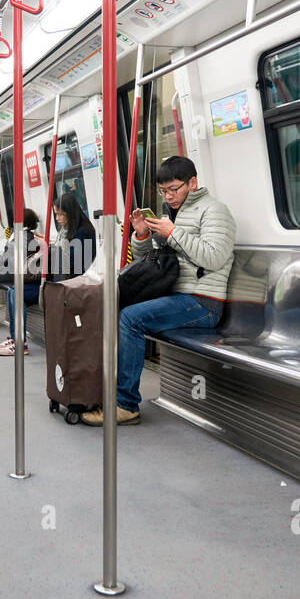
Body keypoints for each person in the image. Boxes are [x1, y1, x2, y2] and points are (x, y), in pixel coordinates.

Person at [82, 156, 236, 426]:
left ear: (192, 183)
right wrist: (141, 235)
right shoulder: (173, 214)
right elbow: (155, 262)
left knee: (131, 318)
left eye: (174, 189)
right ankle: (100, 389)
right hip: (175, 296)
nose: (168, 195)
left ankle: (126, 405)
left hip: (203, 303)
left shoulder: (214, 211)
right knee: (110, 305)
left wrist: (173, 232)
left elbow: (214, 258)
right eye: (163, 191)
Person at [0, 209, 41, 356]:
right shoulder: (19, 235)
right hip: (15, 270)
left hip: (19, 273)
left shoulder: (24, 237)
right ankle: (13, 337)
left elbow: (14, 260)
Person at [47, 193, 97, 282]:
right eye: (56, 214)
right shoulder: (66, 229)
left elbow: (71, 261)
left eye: (60, 214)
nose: (57, 218)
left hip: (73, 279)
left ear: (70, 213)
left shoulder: (83, 231)